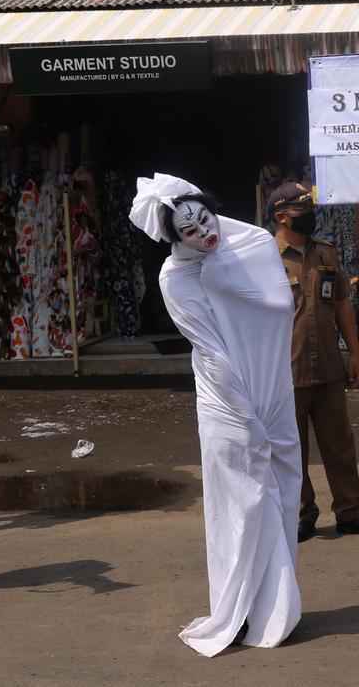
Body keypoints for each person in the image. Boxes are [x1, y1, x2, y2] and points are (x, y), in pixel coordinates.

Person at [131, 173, 302, 657]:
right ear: (174, 237)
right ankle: (243, 610)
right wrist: (244, 414)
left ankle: (277, 608)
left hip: (274, 391)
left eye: (204, 218)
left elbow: (279, 307)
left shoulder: (249, 240)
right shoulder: (176, 277)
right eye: (190, 231)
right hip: (229, 403)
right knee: (244, 508)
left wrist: (267, 402)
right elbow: (210, 351)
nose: (205, 232)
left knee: (283, 499)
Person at [269, 183, 359, 543]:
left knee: (339, 443)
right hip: (283, 372)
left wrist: (354, 352)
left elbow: (340, 305)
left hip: (327, 365)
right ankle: (301, 513)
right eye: (300, 213)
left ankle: (350, 511)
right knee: (292, 450)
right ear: (280, 217)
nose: (309, 218)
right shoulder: (263, 257)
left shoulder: (325, 253)